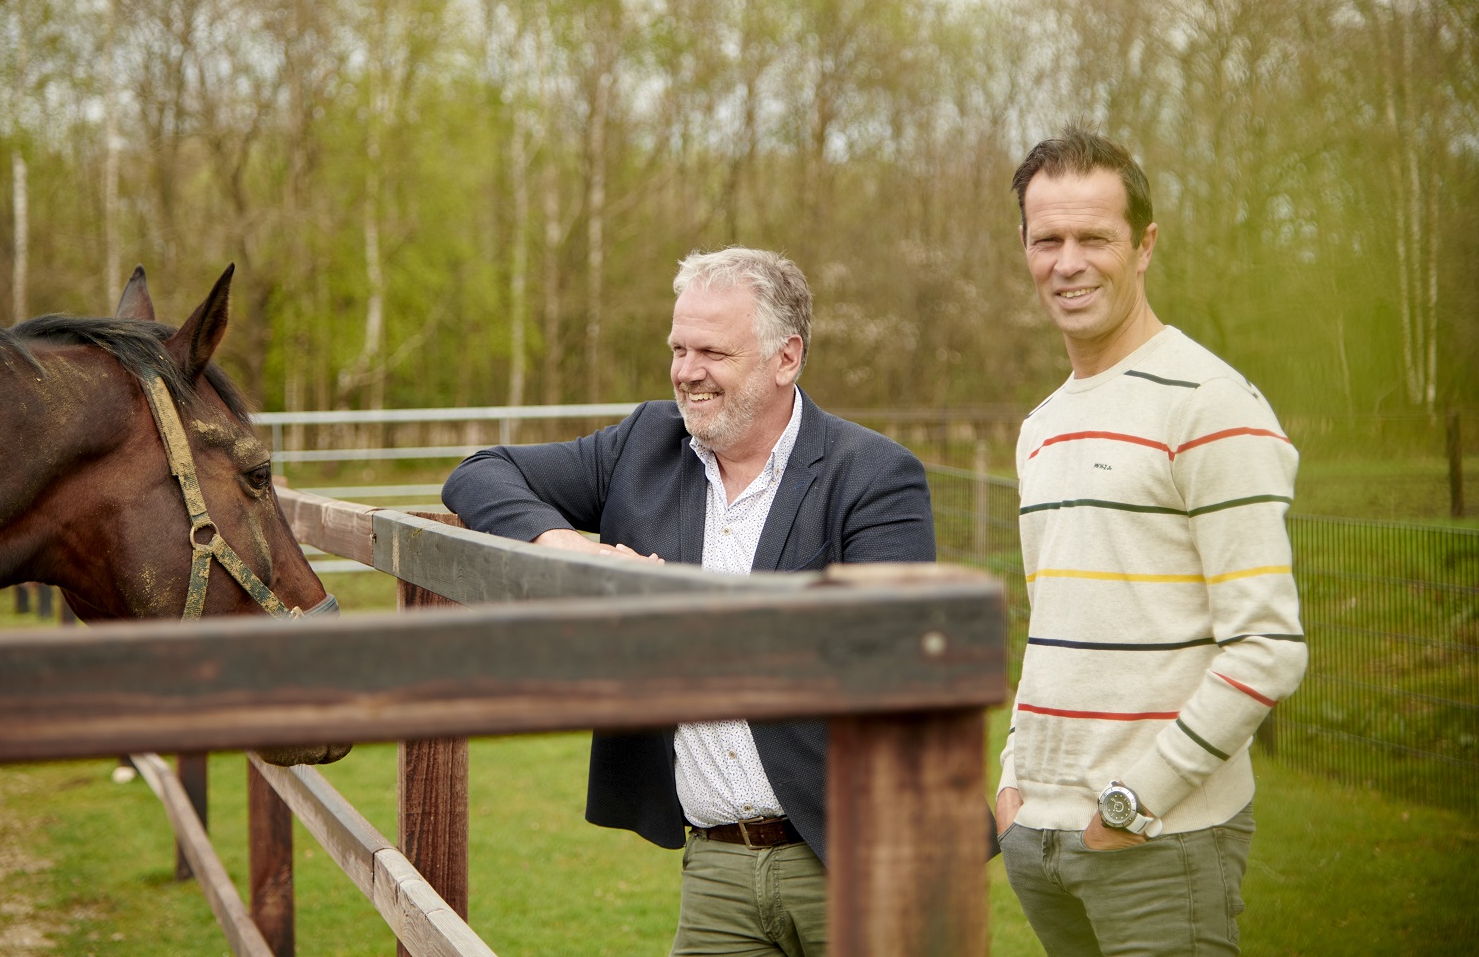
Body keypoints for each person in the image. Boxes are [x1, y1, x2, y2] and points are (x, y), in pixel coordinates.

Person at [443, 246, 937, 956]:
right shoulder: (645, 444)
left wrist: (670, 616)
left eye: (712, 350)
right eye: (679, 347)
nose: (686, 371)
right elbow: (479, 472)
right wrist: (564, 545)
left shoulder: (873, 474)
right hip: (717, 866)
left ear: (786, 358)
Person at [995, 124, 1309, 955]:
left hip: (1161, 841)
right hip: (1043, 837)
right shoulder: (1042, 425)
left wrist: (1137, 803)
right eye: (1047, 239)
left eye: (1094, 237)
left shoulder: (1209, 405)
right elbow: (1053, 621)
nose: (1068, 262)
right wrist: (1013, 783)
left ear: (1144, 246)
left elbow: (1267, 645)